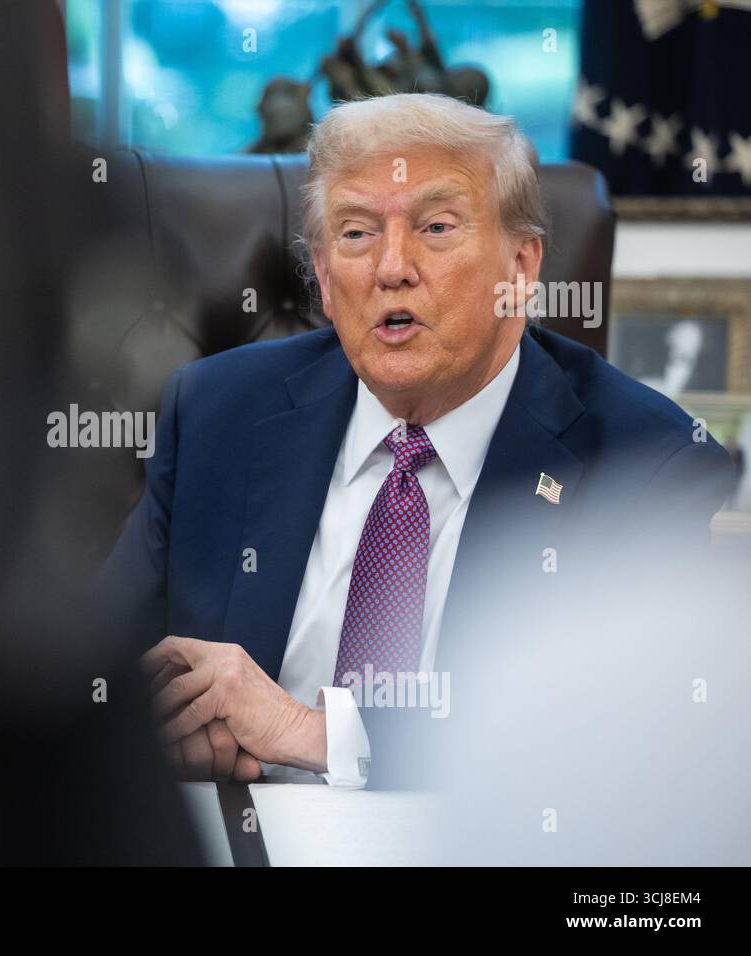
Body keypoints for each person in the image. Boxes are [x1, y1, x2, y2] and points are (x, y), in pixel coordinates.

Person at [103, 92, 736, 790]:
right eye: (355, 233)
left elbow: (632, 745)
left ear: (521, 268)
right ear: (321, 271)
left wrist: (311, 733)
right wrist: (163, 730)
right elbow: (91, 677)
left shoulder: (642, 465)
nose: (391, 267)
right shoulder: (216, 415)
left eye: (436, 227)